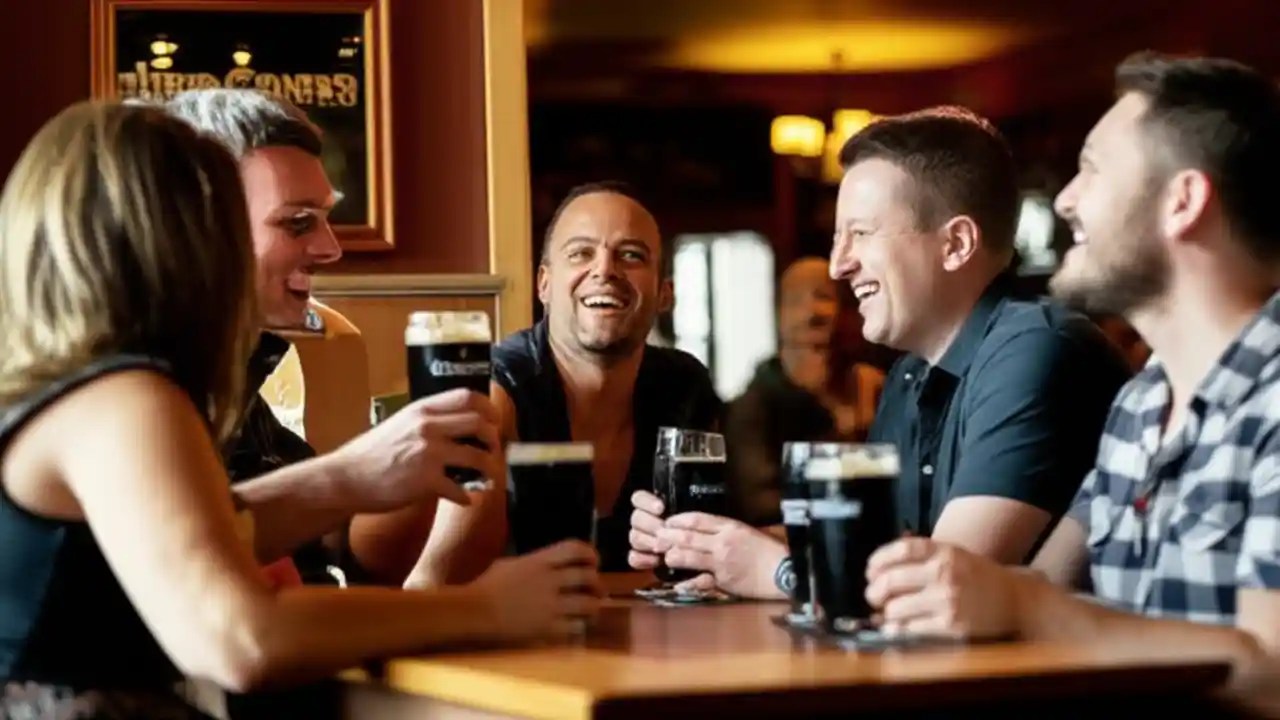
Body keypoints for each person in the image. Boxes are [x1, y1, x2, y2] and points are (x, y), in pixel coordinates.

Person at [0, 101, 600, 717]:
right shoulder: (125, 401)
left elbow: (204, 533)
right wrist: (490, 608)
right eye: (220, 224)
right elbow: (242, 640)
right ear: (166, 240)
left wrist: (348, 478)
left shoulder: (73, 388)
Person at [861, 52, 1280, 705]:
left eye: (1091, 168)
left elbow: (1272, 676)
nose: (1064, 199)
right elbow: (1043, 588)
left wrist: (1022, 606)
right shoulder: (1141, 405)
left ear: (1183, 201)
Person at [630, 106, 1131, 600]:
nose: (838, 265)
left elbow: (943, 581)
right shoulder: (910, 375)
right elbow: (884, 548)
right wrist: (710, 547)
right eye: (837, 238)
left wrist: (780, 572)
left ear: (956, 244)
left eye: (861, 234)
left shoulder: (1036, 350)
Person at [162, 88, 502, 589]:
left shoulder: (232, 374)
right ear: (199, 227)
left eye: (325, 219)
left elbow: (348, 555)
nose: (330, 248)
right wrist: (482, 610)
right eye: (297, 223)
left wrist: (422, 470)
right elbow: (212, 591)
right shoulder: (138, 384)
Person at [391, 181, 722, 583]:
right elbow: (433, 587)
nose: (604, 269)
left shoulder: (684, 384)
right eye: (581, 253)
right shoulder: (499, 391)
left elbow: (706, 561)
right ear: (543, 285)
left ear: (664, 294)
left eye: (631, 255)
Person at [724, 256, 884, 526]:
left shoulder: (875, 388)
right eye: (796, 301)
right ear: (778, 315)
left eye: (824, 297)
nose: (812, 313)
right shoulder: (754, 408)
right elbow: (762, 507)